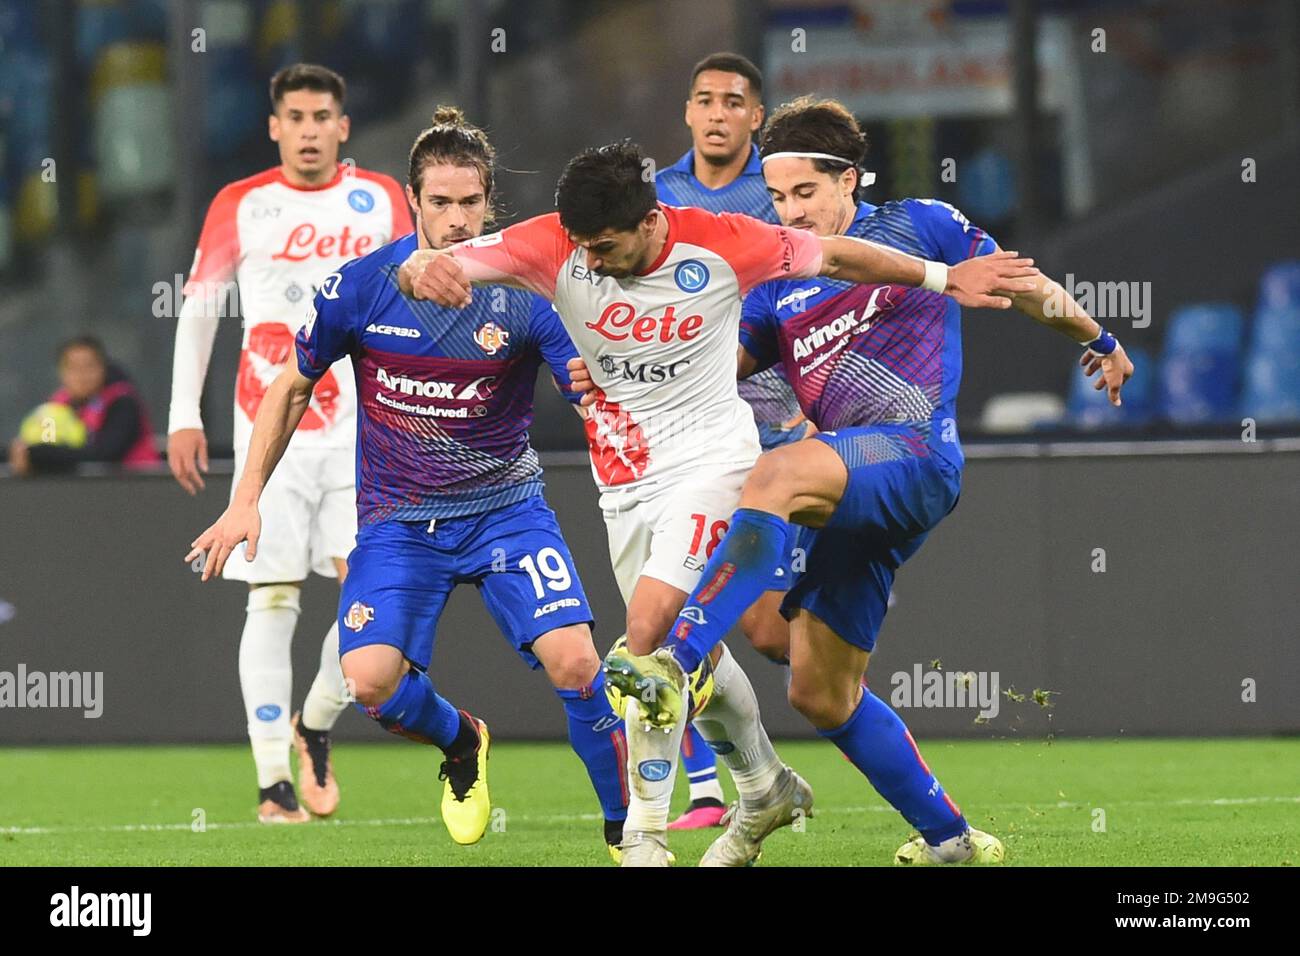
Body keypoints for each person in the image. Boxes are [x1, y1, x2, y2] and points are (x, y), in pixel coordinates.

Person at [396, 139, 1036, 865]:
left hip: (713, 462)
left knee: (646, 641)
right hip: (624, 483)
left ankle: (642, 836)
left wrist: (945, 275)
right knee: (708, 651)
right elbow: (432, 262)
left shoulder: (727, 241)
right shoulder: (551, 244)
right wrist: (424, 270)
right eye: (582, 248)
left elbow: (844, 256)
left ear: (647, 221)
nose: (592, 263)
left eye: (605, 247)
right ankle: (764, 786)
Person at [574, 97, 1133, 865]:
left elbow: (1022, 282)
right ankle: (951, 840)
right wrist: (619, 370)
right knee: (810, 682)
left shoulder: (920, 226)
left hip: (914, 457)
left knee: (774, 474)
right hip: (845, 487)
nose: (791, 212)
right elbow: (706, 370)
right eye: (777, 198)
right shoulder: (775, 284)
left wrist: (1098, 337)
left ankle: (678, 660)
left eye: (806, 193)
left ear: (850, 179)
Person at [186, 107, 632, 856]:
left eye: (471, 202)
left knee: (580, 665)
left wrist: (604, 386)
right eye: (441, 203)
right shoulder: (361, 287)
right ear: (412, 199)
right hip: (399, 521)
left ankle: (629, 834)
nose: (458, 220)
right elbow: (291, 388)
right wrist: (243, 500)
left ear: (490, 201)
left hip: (506, 514)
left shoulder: (529, 293)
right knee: (369, 682)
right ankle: (462, 743)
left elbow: (591, 396)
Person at [167, 64, 411, 823]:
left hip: (362, 430)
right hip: (267, 431)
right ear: (274, 126)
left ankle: (316, 723)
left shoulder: (380, 199)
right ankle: (274, 780)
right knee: (270, 601)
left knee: (368, 597)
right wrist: (183, 411)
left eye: (323, 116)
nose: (309, 129)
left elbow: (416, 289)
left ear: (344, 126)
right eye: (296, 116)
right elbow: (202, 306)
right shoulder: (241, 203)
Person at [654, 51, 808, 830]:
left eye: (733, 102)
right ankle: (710, 789)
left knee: (771, 633)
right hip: (680, 428)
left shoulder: (779, 193)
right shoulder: (655, 198)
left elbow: (817, 282)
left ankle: (831, 673)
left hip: (777, 426)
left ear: (757, 116)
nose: (717, 113)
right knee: (673, 601)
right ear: (688, 111)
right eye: (704, 99)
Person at [8, 336, 160, 475]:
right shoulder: (56, 407)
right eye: (73, 368)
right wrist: (21, 455)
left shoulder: (123, 404)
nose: (82, 375)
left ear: (103, 368)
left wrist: (36, 454)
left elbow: (104, 455)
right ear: (61, 372)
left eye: (89, 366)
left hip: (135, 490)